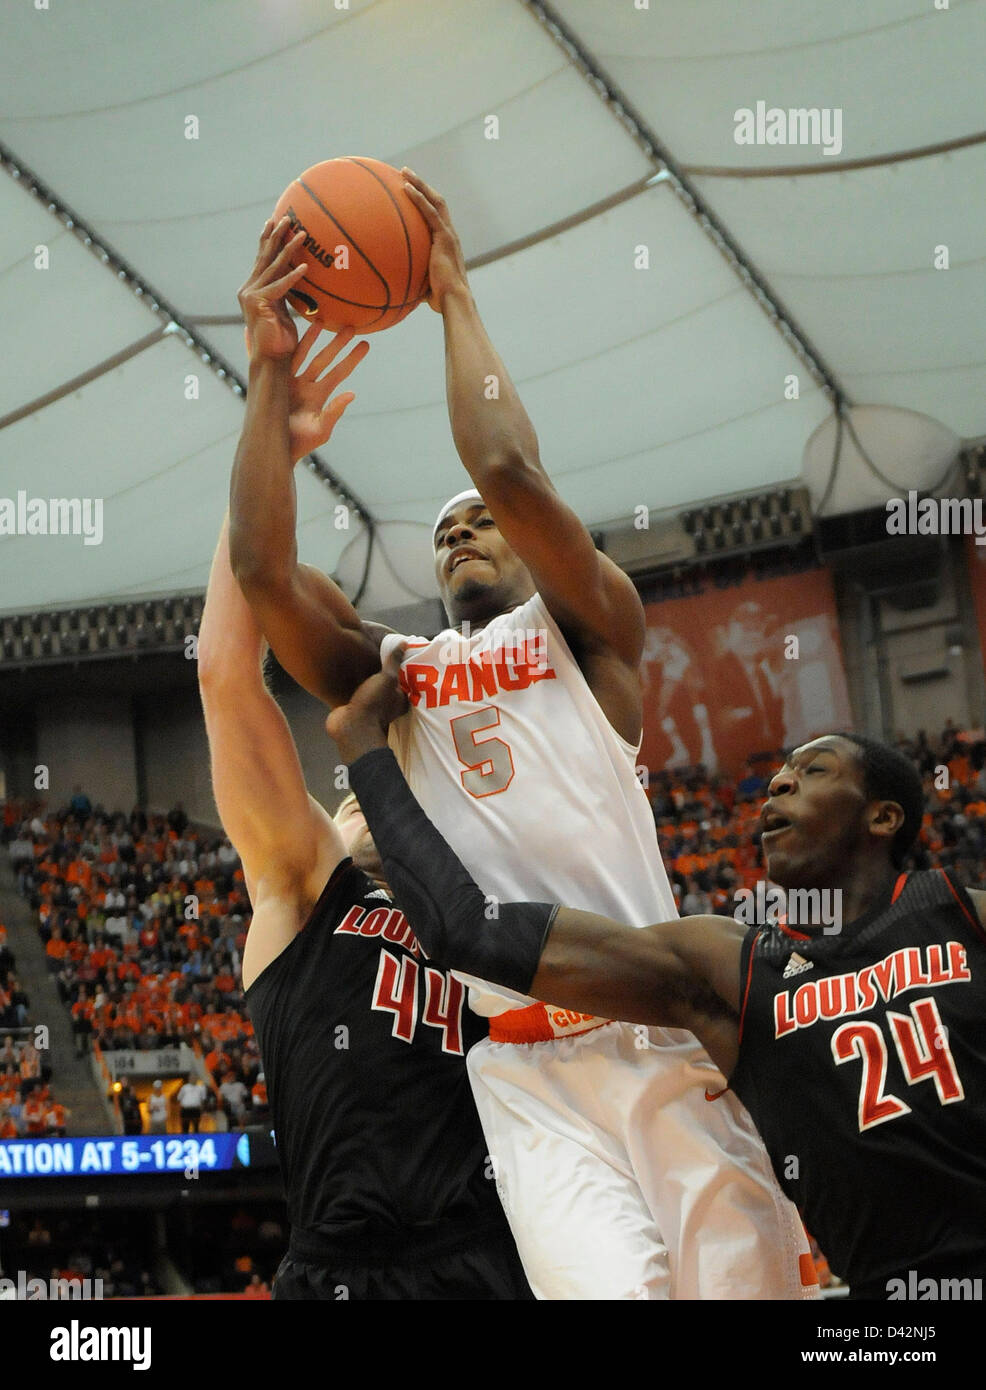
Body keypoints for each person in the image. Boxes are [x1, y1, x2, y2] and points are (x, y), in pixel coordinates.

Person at [228, 187, 814, 1300]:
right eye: (441, 531)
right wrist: (267, 368)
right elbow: (260, 570)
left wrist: (448, 290)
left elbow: (507, 469)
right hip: (524, 1076)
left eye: (477, 523)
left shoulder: (589, 627)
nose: (459, 529)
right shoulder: (391, 680)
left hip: (655, 1018)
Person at [328, 675, 986, 1300]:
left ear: (883, 818)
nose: (778, 784)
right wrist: (362, 745)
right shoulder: (730, 969)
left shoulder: (963, 915)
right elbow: (470, 933)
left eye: (813, 771)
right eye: (780, 774)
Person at [199, 492, 530, 1300]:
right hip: (340, 1268)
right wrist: (266, 448)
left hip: (501, 1247)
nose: (364, 805)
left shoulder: (488, 899)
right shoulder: (305, 887)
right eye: (349, 801)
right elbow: (224, 675)